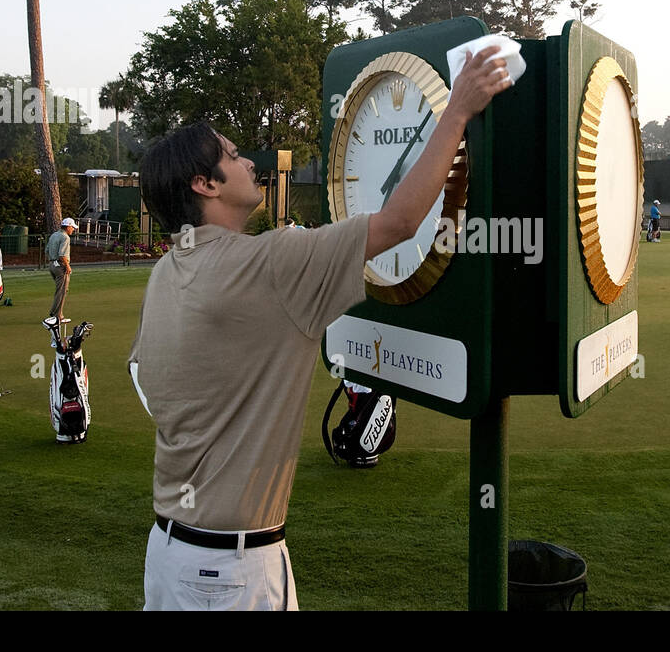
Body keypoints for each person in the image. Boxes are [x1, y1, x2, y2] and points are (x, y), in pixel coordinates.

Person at [128, 46, 511, 611]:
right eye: (232, 156)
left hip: (168, 555)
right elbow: (401, 222)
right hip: (231, 575)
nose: (248, 162)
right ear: (205, 185)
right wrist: (456, 112)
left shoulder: (167, 270)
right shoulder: (270, 263)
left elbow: (151, 382)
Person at [42, 217, 77, 329]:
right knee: (61, 291)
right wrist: (68, 266)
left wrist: (53, 262)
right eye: (72, 227)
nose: (73, 230)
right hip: (61, 266)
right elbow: (62, 255)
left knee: (61, 290)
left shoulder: (54, 235)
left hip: (52, 265)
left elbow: (46, 250)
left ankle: (55, 313)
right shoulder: (65, 237)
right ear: (67, 227)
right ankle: (58, 316)